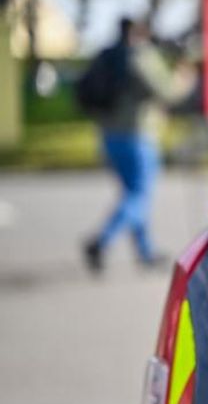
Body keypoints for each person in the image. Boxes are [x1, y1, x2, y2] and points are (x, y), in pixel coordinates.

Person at [83, 17, 195, 273]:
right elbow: (168, 92)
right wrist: (185, 77)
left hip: (108, 135)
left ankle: (145, 252)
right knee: (138, 197)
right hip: (136, 137)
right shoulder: (141, 56)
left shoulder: (107, 56)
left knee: (132, 194)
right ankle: (101, 241)